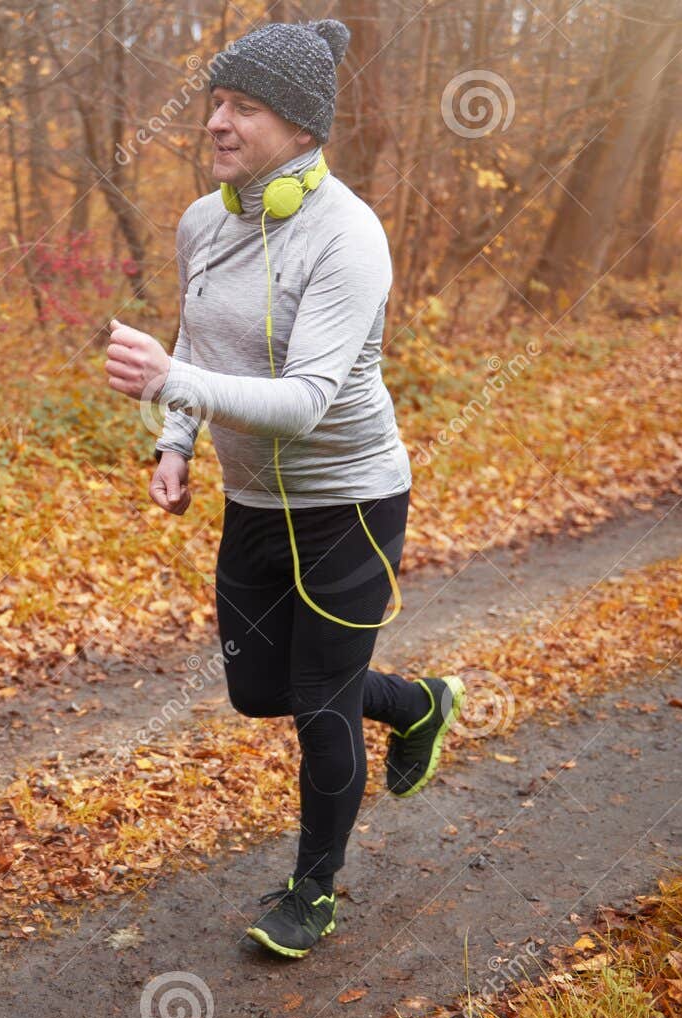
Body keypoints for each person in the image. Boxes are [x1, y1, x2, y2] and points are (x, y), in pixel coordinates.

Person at [103, 20, 469, 958]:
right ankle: (415, 704)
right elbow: (197, 339)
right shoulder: (202, 222)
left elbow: (306, 402)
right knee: (258, 689)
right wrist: (175, 441)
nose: (216, 122)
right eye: (215, 102)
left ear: (303, 128)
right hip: (256, 502)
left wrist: (169, 384)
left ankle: (312, 892)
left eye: (244, 107)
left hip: (349, 500)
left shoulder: (348, 236)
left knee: (318, 700)